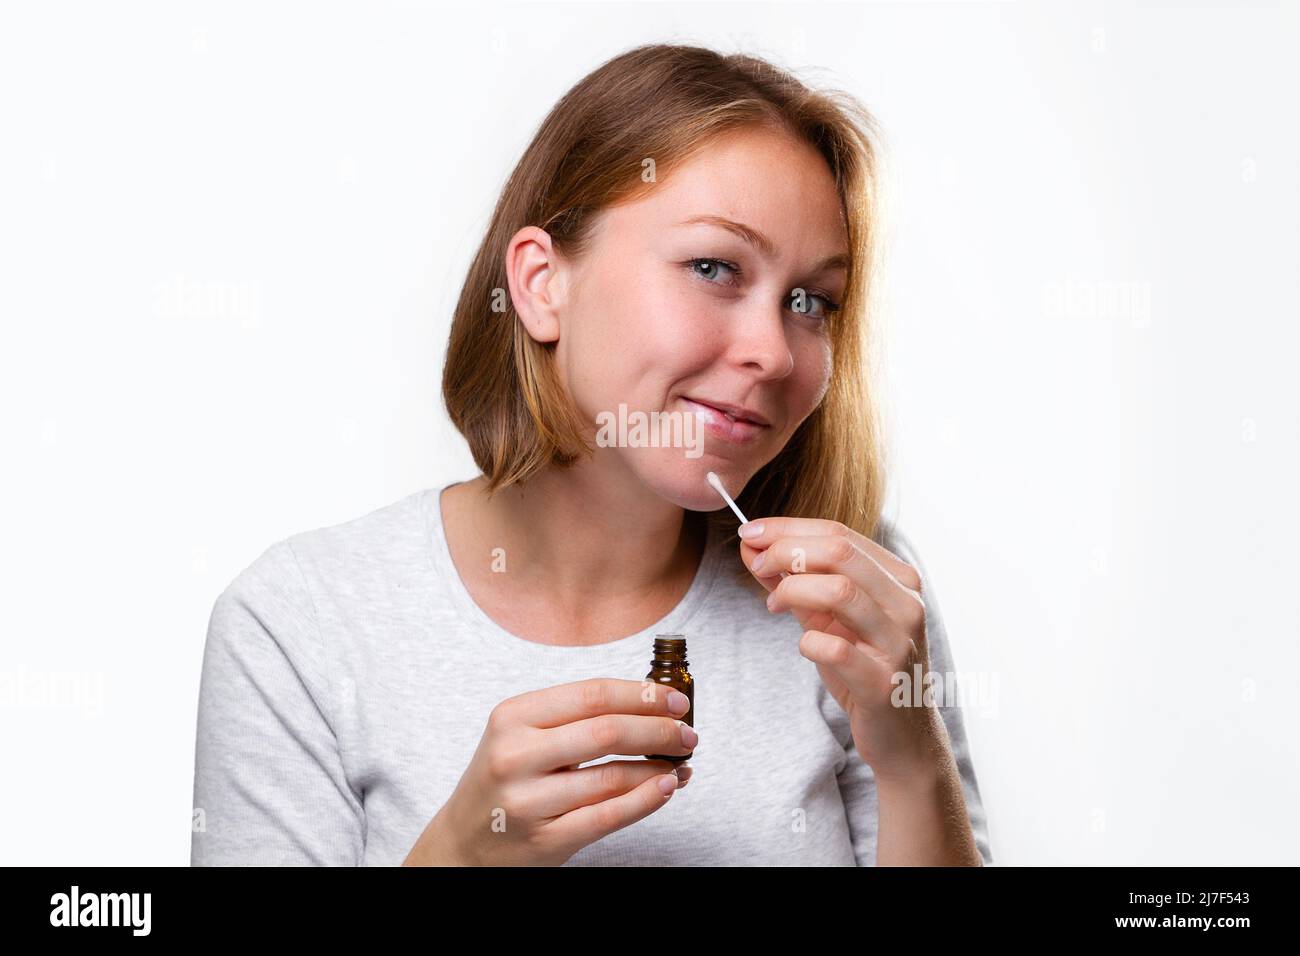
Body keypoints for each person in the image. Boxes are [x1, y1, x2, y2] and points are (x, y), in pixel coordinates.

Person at [190, 42, 993, 866]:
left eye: (809, 300)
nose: (774, 352)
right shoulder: (298, 627)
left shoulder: (851, 592)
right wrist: (459, 855)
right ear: (542, 285)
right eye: (713, 266)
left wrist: (910, 759)